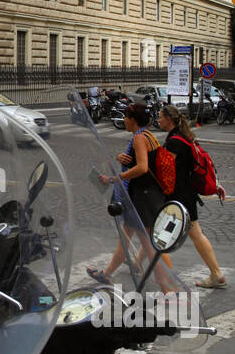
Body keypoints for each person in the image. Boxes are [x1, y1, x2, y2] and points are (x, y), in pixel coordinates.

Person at [87, 102, 169, 282]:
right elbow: (140, 162)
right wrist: (118, 159)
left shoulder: (139, 138)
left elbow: (142, 167)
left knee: (150, 245)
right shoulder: (148, 136)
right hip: (146, 195)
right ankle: (107, 274)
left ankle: (169, 287)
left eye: (125, 117)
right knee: (127, 239)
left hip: (142, 197)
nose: (123, 120)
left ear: (132, 120)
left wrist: (115, 178)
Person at [158, 104, 226, 288]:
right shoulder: (183, 136)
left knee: (157, 232)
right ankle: (216, 273)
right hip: (186, 192)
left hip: (177, 194)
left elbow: (165, 169)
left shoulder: (175, 142)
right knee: (191, 232)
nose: (158, 120)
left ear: (168, 119)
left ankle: (215, 273)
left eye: (160, 117)